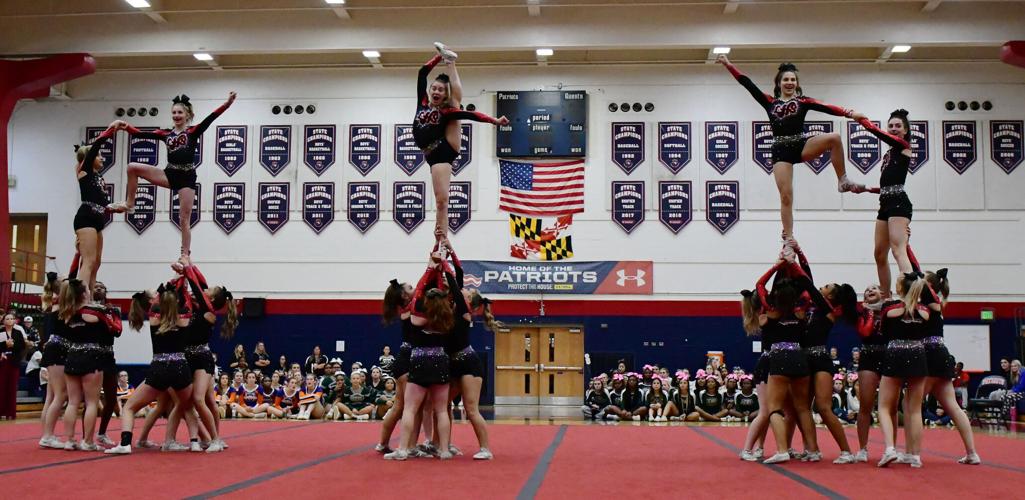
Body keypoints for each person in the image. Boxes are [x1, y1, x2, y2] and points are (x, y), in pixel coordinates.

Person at [716, 55, 865, 240]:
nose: (789, 82)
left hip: (801, 144)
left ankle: (843, 180)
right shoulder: (770, 102)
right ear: (779, 84)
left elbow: (827, 107)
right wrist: (729, 65)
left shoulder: (803, 102)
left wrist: (851, 114)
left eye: (793, 79)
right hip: (781, 150)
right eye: (786, 79)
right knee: (786, 196)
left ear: (797, 83)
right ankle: (788, 238)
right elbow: (748, 84)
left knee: (834, 138)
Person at [112, 92, 237, 258]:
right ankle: (129, 203)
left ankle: (185, 254)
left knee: (184, 218)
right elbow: (139, 134)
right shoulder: (165, 134)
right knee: (132, 167)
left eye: (180, 112)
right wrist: (124, 125)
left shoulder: (193, 131)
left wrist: (227, 104)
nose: (176, 116)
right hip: (169, 174)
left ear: (187, 115)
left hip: (186, 177)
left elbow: (212, 117)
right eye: (174, 113)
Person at [412, 43, 509, 241]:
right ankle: (450, 61)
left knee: (442, 200)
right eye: (435, 88)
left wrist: (495, 121)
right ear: (430, 91)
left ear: (443, 95)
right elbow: (422, 73)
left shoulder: (446, 111)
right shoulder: (421, 105)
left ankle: (441, 237)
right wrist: (438, 57)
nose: (437, 91)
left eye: (441, 90)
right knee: (441, 200)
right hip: (431, 153)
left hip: (443, 149)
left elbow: (472, 115)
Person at [854, 111, 916, 297]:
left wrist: (864, 122)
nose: (894, 129)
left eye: (898, 126)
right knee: (879, 254)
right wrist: (865, 188)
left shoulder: (903, 146)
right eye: (891, 126)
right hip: (885, 204)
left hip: (899, 203)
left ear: (905, 131)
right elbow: (886, 186)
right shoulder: (889, 153)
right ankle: (886, 295)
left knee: (898, 250)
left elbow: (881, 135)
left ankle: (909, 295)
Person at [59, 279, 121, 450]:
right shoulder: (95, 311)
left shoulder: (68, 311)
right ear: (85, 293)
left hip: (72, 356)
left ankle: (69, 440)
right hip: (92, 356)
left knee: (72, 402)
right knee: (92, 402)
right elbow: (115, 329)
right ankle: (88, 441)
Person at [877, 273, 930, 468]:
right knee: (915, 409)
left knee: (884, 406)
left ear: (899, 289)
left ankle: (890, 448)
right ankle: (915, 455)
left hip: (895, 353)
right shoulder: (924, 310)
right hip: (918, 354)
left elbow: (881, 330)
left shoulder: (889, 308)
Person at [72, 121, 125, 301]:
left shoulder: (97, 176)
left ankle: (91, 298)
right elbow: (96, 146)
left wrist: (113, 208)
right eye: (99, 155)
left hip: (97, 220)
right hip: (86, 218)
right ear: (89, 159)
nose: (102, 158)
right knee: (87, 261)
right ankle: (80, 299)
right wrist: (111, 129)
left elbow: (101, 202)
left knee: (96, 262)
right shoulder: (84, 171)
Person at [0, 313, 27, 420]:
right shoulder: (1, 332)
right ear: (4, 321)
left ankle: (11, 413)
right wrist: (4, 345)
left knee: (12, 387)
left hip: (14, 362)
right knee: (2, 387)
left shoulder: (18, 332)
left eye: (12, 319)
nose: (10, 320)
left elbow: (22, 346)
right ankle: (1, 412)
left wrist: (13, 345)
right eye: (8, 319)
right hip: (2, 361)